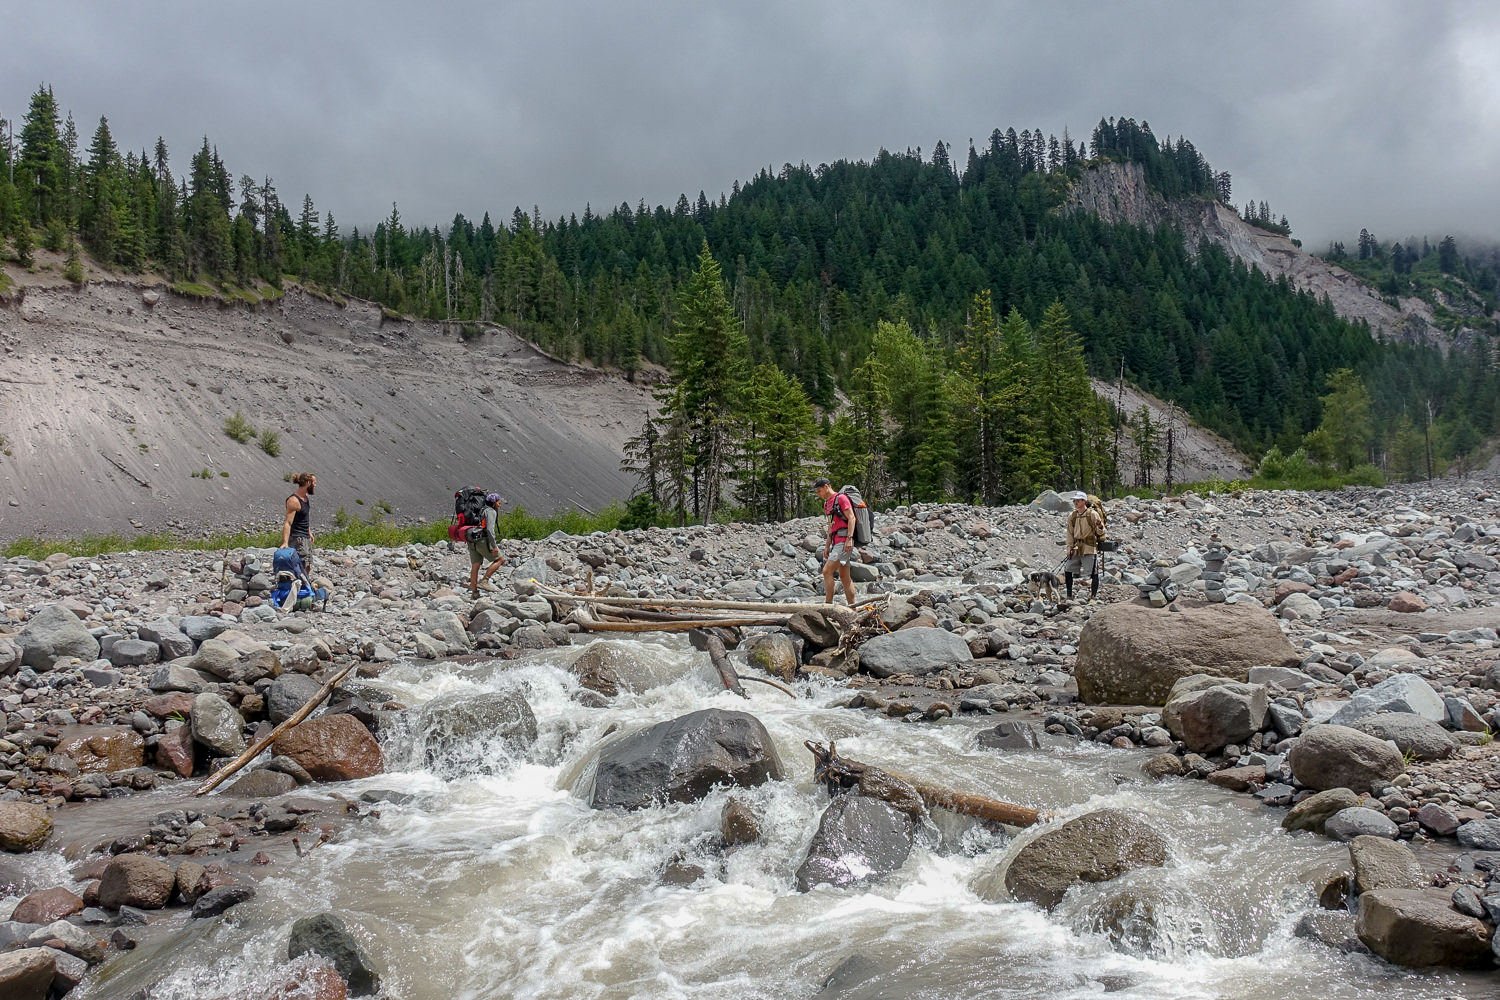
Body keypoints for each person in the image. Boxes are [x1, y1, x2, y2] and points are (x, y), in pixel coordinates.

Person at [814, 478, 857, 606]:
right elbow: (830, 526)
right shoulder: (827, 504)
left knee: (827, 571)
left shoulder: (841, 498)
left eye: (819, 490)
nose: (818, 494)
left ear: (827, 486)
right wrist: (827, 546)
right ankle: (853, 608)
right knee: (844, 577)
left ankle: (828, 605)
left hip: (844, 540)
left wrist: (849, 539)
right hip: (835, 541)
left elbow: (851, 518)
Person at [1064, 490, 1105, 601]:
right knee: (1068, 569)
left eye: (1078, 500)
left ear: (1084, 501)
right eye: (1075, 500)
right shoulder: (1073, 516)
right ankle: (1069, 595)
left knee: (1093, 572)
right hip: (1076, 547)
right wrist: (1069, 546)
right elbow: (1069, 532)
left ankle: (1093, 596)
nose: (1075, 502)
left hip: (1089, 547)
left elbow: (1101, 532)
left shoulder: (1092, 514)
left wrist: (1100, 527)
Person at [467, 492, 506, 598]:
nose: (500, 504)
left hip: (472, 539)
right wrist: (494, 546)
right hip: (482, 540)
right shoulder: (491, 511)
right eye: (498, 502)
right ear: (494, 503)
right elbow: (489, 530)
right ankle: (485, 580)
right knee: (500, 560)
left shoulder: (480, 510)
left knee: (475, 565)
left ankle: (474, 592)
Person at [281, 472, 316, 573]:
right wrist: (285, 542)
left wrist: (309, 532)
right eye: (314, 483)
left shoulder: (305, 498)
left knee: (308, 565)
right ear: (308, 483)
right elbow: (288, 523)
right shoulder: (293, 501)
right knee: (300, 565)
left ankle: (305, 585)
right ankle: (298, 585)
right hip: (297, 539)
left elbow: (303, 517)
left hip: (305, 537)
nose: (315, 485)